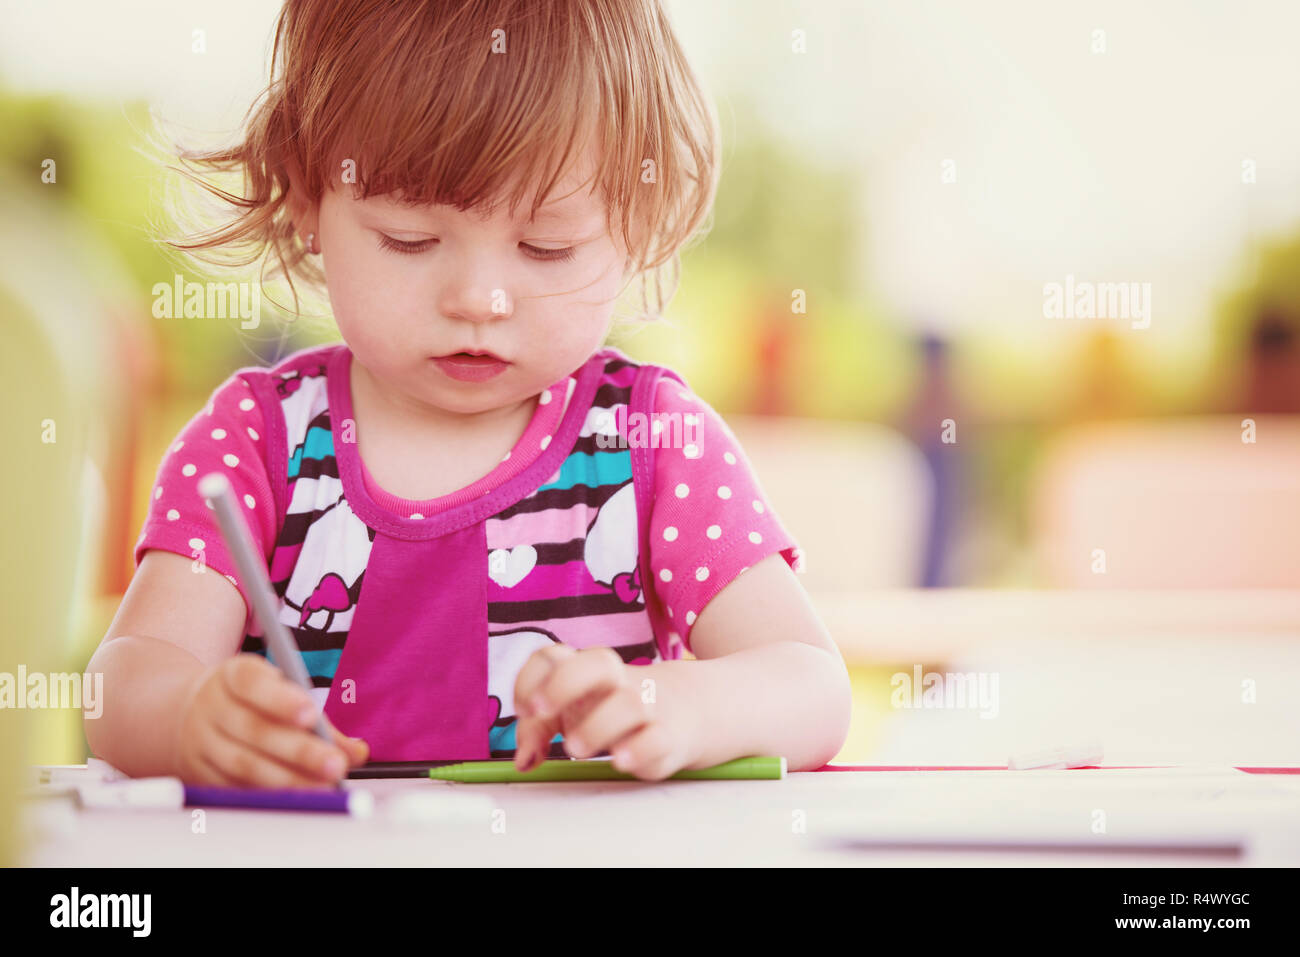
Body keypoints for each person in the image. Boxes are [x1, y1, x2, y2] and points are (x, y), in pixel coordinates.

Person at [84, 0, 850, 788]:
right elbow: (123, 684)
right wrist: (190, 718)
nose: (479, 298)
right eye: (409, 239)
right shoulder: (256, 440)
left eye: (546, 249)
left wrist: (683, 704)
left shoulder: (654, 439)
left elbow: (813, 686)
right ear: (307, 195)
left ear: (637, 222)